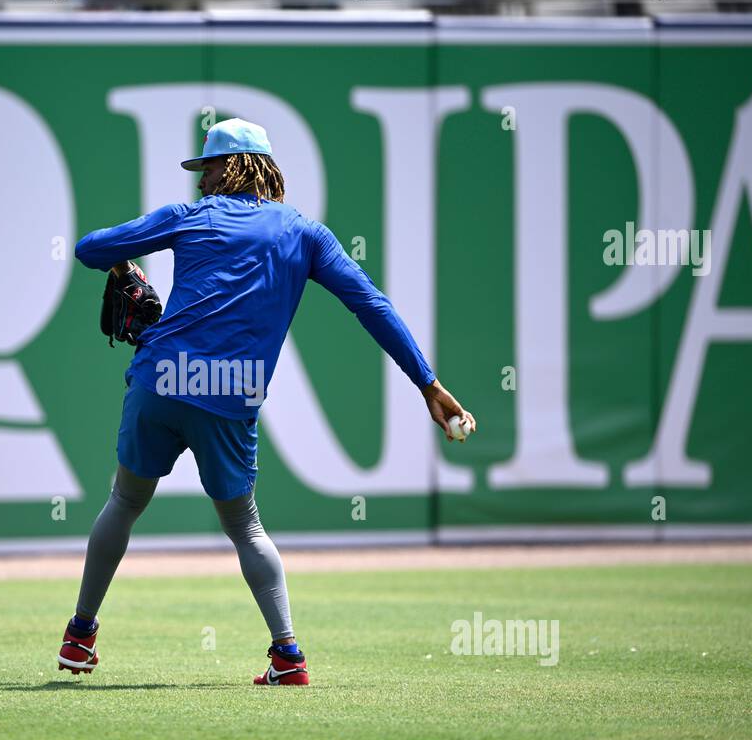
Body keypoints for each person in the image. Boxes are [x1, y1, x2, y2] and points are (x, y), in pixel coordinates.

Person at [56, 117, 476, 686]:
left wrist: (124, 260)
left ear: (232, 165)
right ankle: (288, 656)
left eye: (208, 168)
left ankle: (79, 638)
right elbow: (371, 306)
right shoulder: (305, 235)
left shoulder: (189, 217)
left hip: (162, 380)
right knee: (246, 527)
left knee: (126, 502)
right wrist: (428, 384)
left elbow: (88, 249)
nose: (202, 181)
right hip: (231, 392)